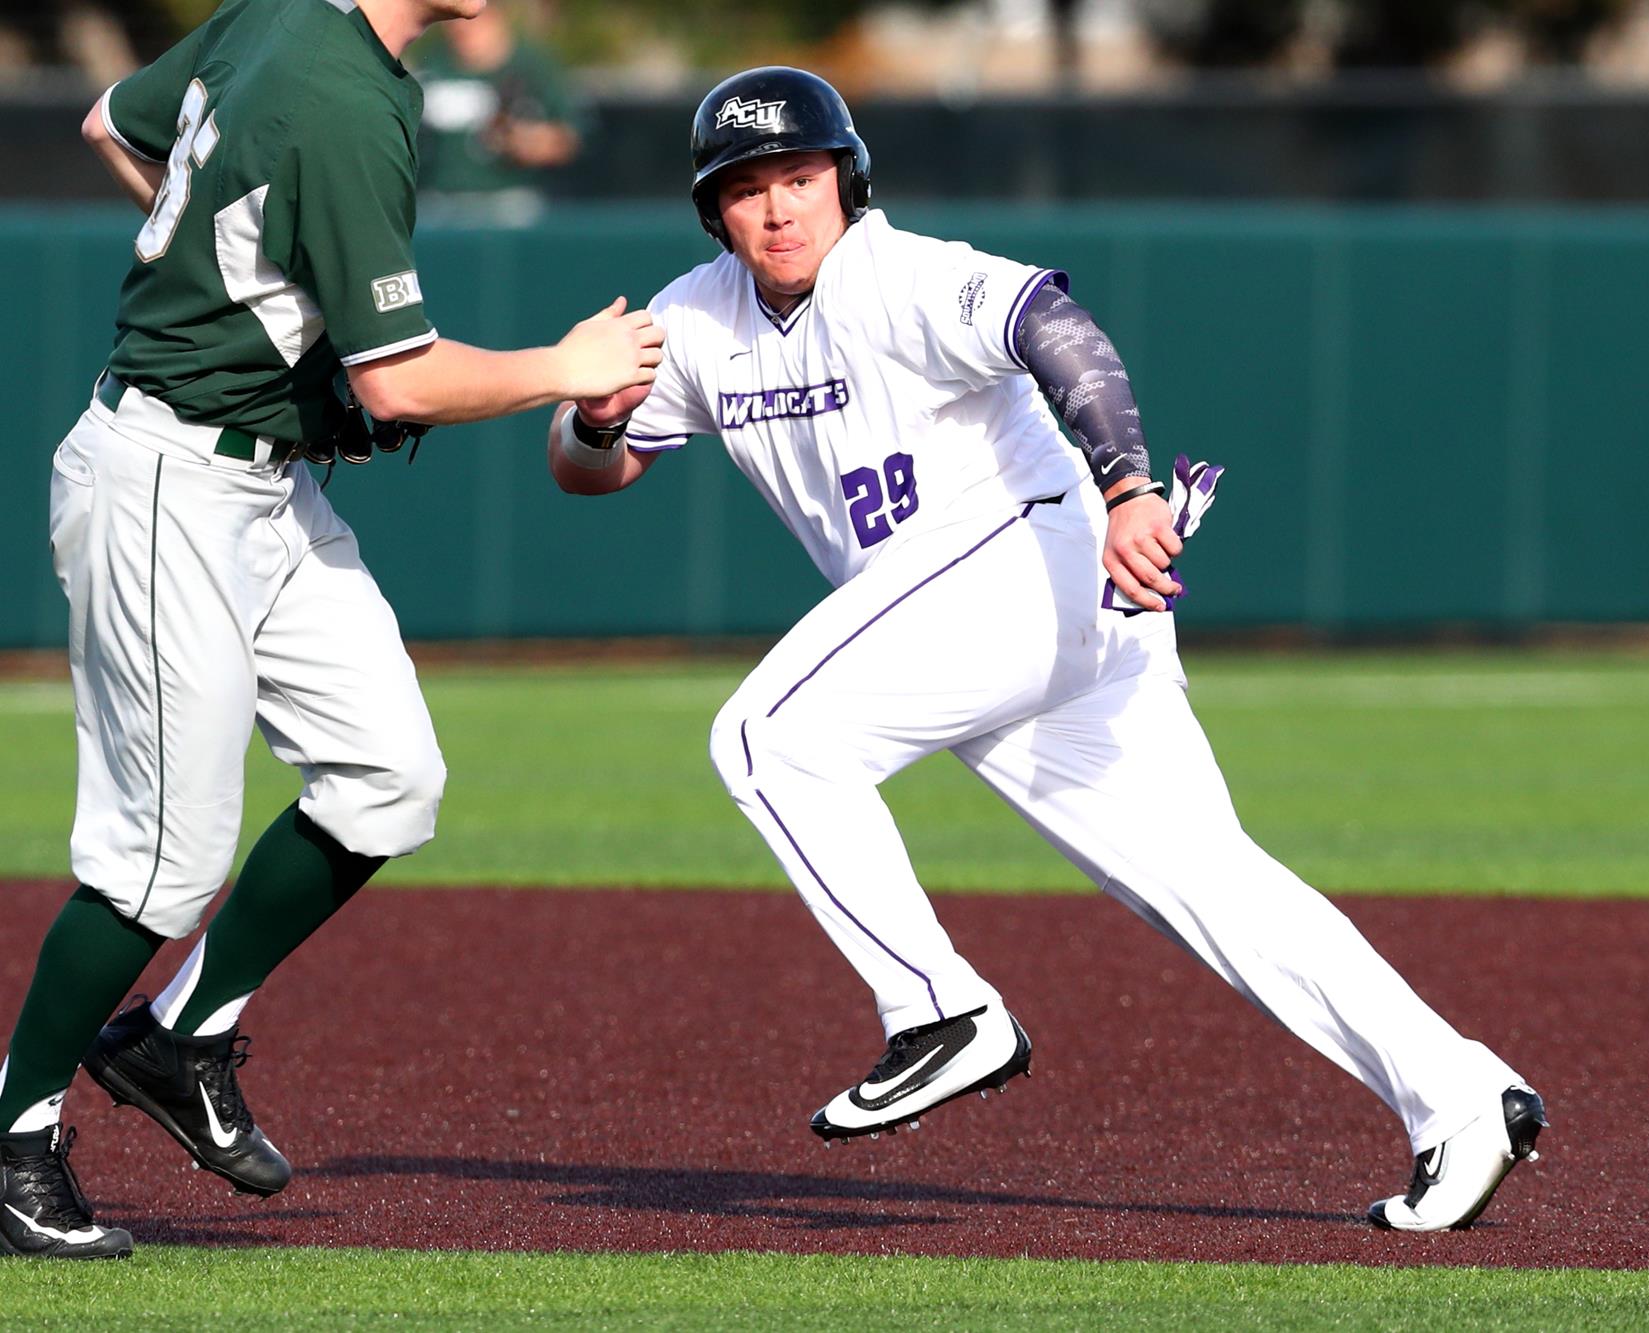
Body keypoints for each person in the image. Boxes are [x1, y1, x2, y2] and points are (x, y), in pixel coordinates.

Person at [546, 66, 1547, 1233]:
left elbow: (1051, 325)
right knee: (1207, 881)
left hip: (1035, 557)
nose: (779, 207)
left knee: (765, 739)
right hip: (984, 629)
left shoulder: (900, 273)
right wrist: (596, 414)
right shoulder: (698, 318)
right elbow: (589, 470)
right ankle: (1459, 1094)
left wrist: (1126, 484)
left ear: (846, 179)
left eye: (801, 177)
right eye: (748, 187)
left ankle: (940, 1011)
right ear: (711, 208)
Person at [0, 0, 660, 1262]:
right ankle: (12, 1135)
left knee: (387, 778)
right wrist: (567, 365)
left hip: (263, 474)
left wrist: (250, 305)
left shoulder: (281, 20)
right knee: (161, 863)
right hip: (168, 477)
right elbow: (399, 382)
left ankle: (178, 1036)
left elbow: (109, 121)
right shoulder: (341, 94)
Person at [415, 2, 578, 224]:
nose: (462, 28)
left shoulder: (532, 67)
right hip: (438, 201)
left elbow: (569, 139)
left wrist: (527, 141)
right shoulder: (433, 63)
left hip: (508, 202)